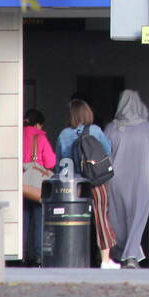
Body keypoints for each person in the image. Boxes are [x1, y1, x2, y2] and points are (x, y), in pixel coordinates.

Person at [57, 98, 120, 270]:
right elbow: (107, 150)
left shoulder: (63, 134)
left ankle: (71, 256)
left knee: (73, 219)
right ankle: (105, 260)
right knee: (101, 217)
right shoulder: (95, 130)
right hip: (95, 181)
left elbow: (61, 160)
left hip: (72, 184)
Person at [106, 90, 149, 269]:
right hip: (142, 180)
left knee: (118, 219)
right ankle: (131, 254)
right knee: (138, 218)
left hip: (115, 181)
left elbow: (105, 153)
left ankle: (123, 253)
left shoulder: (111, 128)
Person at [21, 108, 57, 266]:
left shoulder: (16, 134)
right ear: (37, 124)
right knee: (38, 221)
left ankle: (20, 254)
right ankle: (37, 256)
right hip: (35, 185)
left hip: (19, 184)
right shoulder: (40, 137)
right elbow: (50, 163)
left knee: (22, 221)